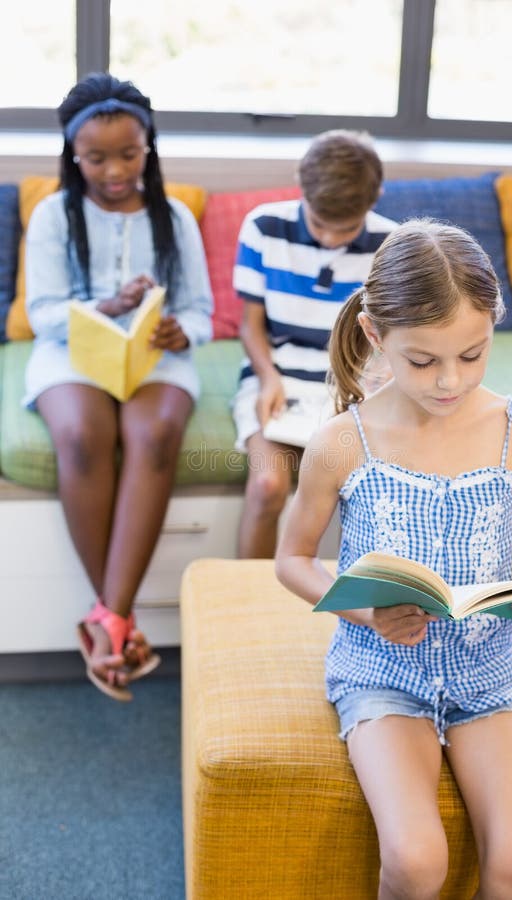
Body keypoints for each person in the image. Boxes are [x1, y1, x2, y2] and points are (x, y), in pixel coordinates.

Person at [275, 220, 512, 899]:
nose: (449, 381)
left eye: (471, 355)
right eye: (423, 360)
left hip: (489, 672)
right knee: (415, 862)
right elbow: (291, 560)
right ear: (377, 336)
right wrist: (368, 613)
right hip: (381, 671)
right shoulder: (342, 442)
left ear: (493, 326)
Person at [23, 73, 213, 701]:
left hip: (153, 360)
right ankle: (118, 621)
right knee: (82, 433)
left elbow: (201, 310)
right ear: (73, 155)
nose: (114, 170)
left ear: (148, 147)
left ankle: (107, 616)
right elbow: (43, 313)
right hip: (71, 353)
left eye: (129, 154)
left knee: (153, 431)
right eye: (96, 157)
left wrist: (180, 332)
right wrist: (106, 306)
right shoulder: (54, 214)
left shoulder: (175, 216)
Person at [232, 129, 397, 558]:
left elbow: (395, 334)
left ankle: (357, 604)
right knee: (267, 486)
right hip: (278, 376)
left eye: (343, 229)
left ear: (374, 197)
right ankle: (249, 603)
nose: (328, 239)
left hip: (356, 384)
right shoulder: (264, 228)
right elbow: (250, 326)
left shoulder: (392, 245)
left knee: (365, 495)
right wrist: (268, 380)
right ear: (301, 188)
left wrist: (378, 381)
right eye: (319, 224)